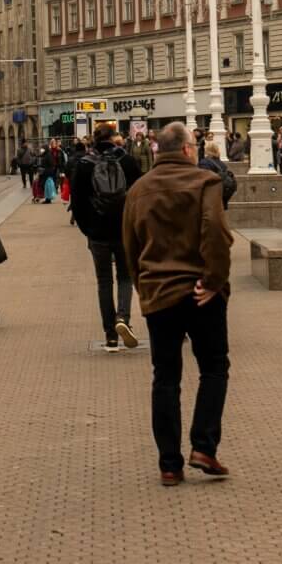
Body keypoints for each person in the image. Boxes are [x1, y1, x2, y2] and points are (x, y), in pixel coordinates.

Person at [123, 122, 234, 486]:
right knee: (214, 368)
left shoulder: (138, 190)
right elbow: (215, 234)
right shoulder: (206, 183)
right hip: (201, 292)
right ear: (188, 150)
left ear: (158, 150)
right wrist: (214, 281)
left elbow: (131, 248)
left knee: (165, 378)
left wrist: (145, 288)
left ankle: (169, 464)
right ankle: (204, 445)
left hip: (159, 293)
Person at [70, 125, 142, 350]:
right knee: (125, 277)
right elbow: (140, 195)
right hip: (123, 230)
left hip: (97, 232)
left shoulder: (84, 164)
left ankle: (110, 335)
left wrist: (88, 229)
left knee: (103, 281)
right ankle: (123, 318)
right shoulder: (128, 161)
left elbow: (77, 202)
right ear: (114, 139)